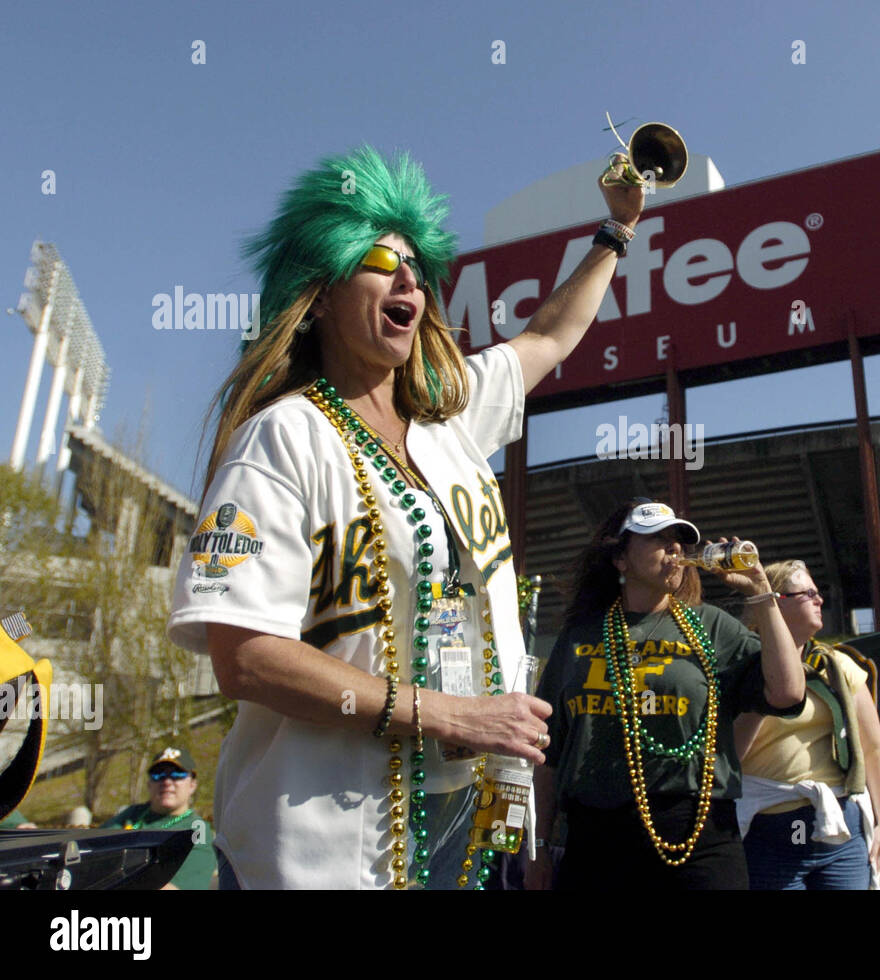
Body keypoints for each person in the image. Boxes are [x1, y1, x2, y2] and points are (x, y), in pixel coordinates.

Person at [167, 145, 644, 889]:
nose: (407, 281)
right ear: (319, 294)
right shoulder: (283, 437)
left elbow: (549, 336)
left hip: (466, 827)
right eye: (379, 263)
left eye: (415, 269)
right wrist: (451, 715)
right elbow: (245, 657)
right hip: (317, 847)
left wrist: (615, 233)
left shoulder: (450, 423)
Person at [526, 500, 806, 890]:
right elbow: (549, 753)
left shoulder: (711, 626)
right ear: (621, 559)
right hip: (597, 838)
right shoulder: (580, 636)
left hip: (699, 832)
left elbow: (788, 692)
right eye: (659, 538)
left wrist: (761, 590)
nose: (675, 548)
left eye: (679, 539)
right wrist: (537, 846)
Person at [733, 559, 880, 889]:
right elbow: (728, 754)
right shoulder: (740, 667)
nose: (820, 600)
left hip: (841, 826)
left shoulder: (837, 666)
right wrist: (772, 689)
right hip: (767, 829)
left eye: (818, 593)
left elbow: (875, 747)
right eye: (807, 594)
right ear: (775, 601)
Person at [100, 746, 217, 890]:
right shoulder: (132, 815)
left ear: (192, 785)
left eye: (177, 775)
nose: (167, 782)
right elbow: (92, 849)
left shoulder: (198, 829)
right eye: (158, 775)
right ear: (149, 784)